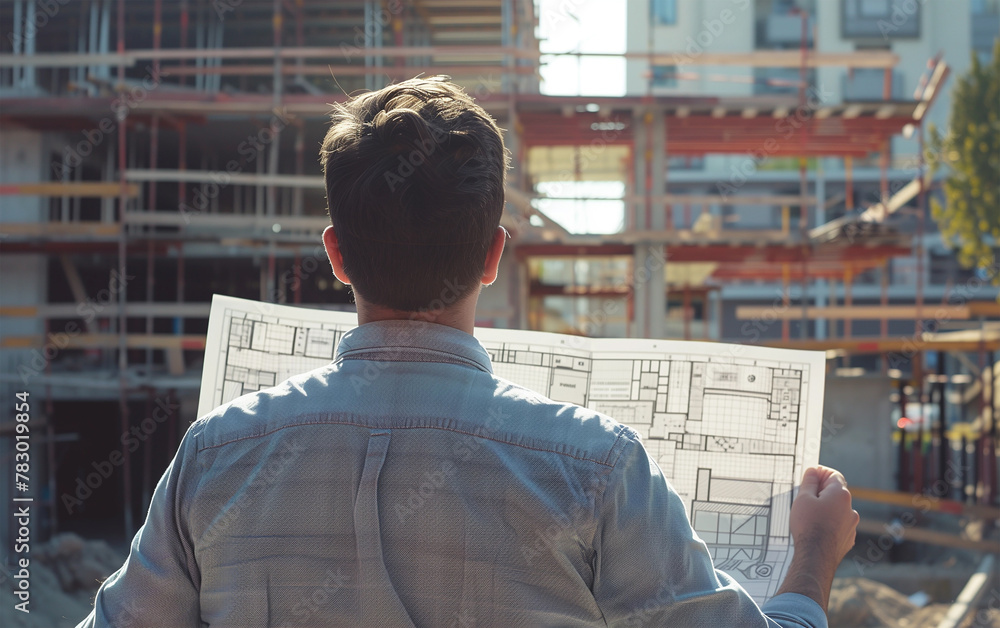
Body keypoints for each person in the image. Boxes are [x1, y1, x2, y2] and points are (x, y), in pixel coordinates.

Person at [77, 76, 858, 627]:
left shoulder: (216, 457)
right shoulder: (598, 468)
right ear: (494, 254)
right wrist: (813, 561)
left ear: (336, 255)